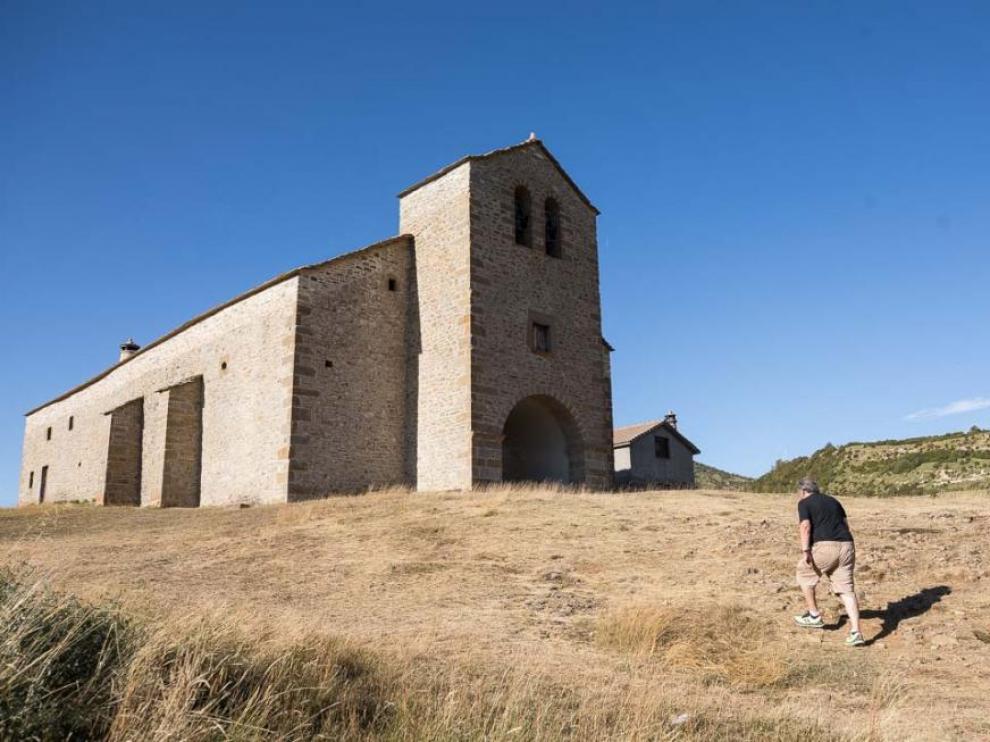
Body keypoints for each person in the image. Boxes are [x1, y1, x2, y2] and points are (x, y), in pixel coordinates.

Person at [792, 478, 865, 646]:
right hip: (847, 545)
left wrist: (806, 550)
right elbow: (846, 525)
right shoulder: (834, 501)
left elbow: (805, 526)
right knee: (846, 589)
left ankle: (814, 615)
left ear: (803, 491)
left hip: (826, 545)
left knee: (803, 573)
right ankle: (856, 632)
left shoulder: (804, 502)